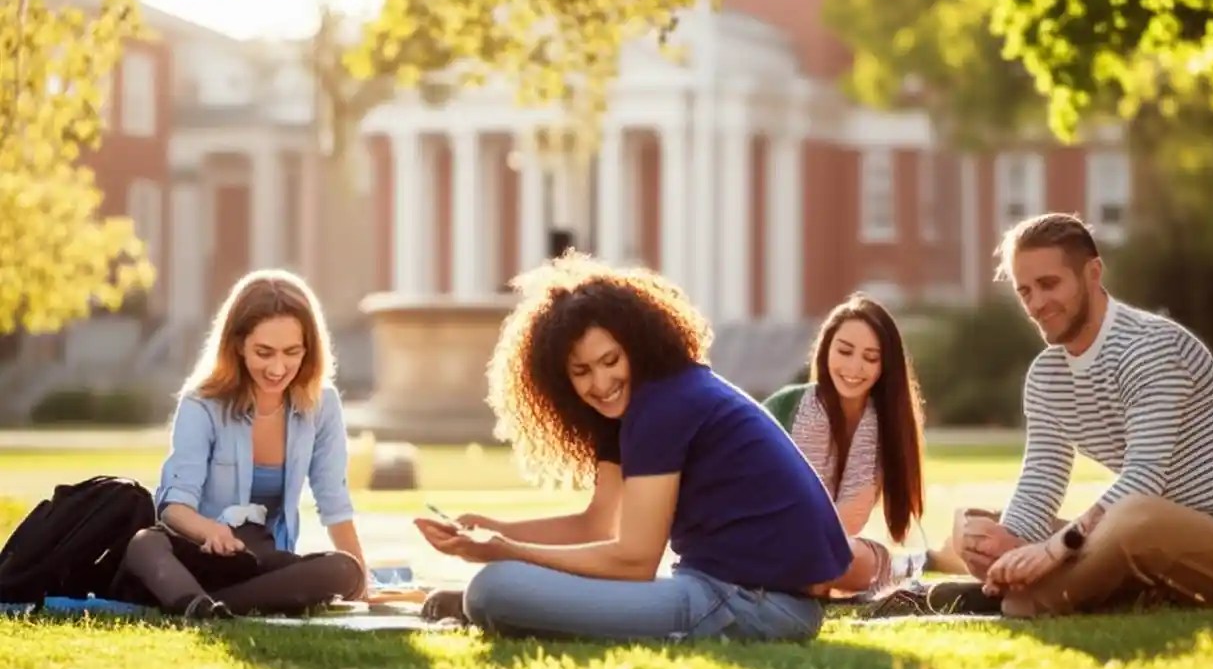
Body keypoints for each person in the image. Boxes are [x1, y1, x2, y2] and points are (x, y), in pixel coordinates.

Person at [413, 252, 854, 641]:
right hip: (731, 592)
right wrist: (493, 530)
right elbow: (598, 525)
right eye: (581, 371)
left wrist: (507, 551)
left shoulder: (664, 405)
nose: (601, 383)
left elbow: (635, 560)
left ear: (638, 347)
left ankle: (511, 608)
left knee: (493, 589)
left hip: (754, 604)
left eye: (610, 361)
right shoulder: (629, 408)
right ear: (559, 378)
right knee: (498, 585)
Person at [943, 213, 1213, 617]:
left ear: (1093, 273)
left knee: (1130, 517)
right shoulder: (1047, 376)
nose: (1037, 304)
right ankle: (1020, 585)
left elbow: (1144, 480)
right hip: (1134, 536)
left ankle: (1018, 602)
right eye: (1025, 291)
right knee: (982, 525)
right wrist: (1002, 542)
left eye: (1049, 284)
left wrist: (1050, 549)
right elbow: (1040, 478)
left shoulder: (1151, 349)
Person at [121, 269, 368, 618]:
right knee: (145, 543)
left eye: (292, 352)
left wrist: (362, 581)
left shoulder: (321, 404)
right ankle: (198, 601)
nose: (278, 368)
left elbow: (334, 500)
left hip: (262, 561)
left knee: (345, 570)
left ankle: (209, 608)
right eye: (264, 353)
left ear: (308, 349)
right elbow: (174, 506)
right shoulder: (201, 404)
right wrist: (210, 530)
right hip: (198, 554)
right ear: (238, 345)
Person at [761, 293, 926, 594]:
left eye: (870, 358)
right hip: (764, 536)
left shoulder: (884, 426)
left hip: (825, 549)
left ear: (885, 367)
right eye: (845, 351)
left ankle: (905, 565)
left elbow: (849, 520)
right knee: (818, 559)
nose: (854, 367)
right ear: (826, 350)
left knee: (844, 557)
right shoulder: (785, 407)